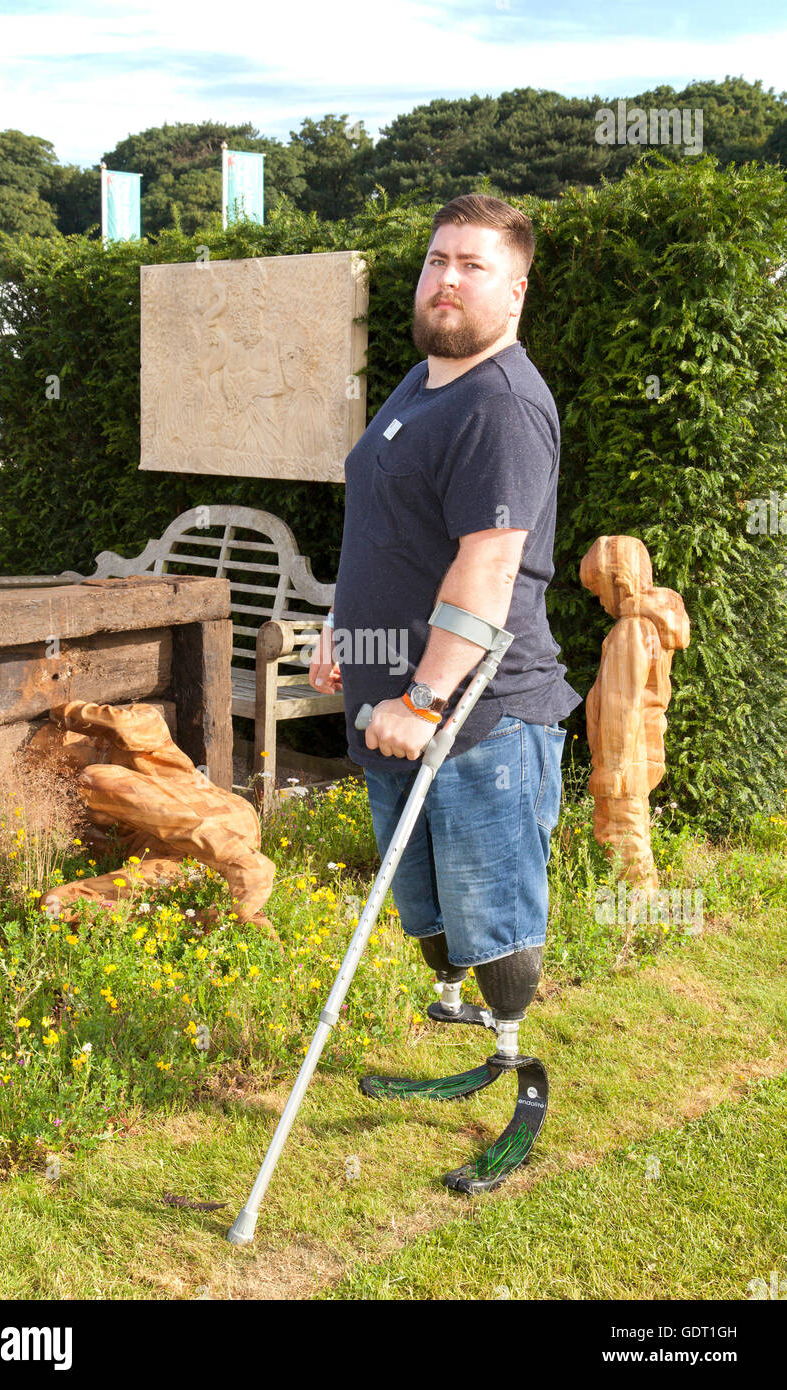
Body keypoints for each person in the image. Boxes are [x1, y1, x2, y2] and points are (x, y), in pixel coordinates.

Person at [309, 194, 582, 1092]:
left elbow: (489, 568)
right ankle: (462, 1010)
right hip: (388, 701)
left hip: (476, 716)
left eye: (473, 265)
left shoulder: (501, 404)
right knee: (424, 904)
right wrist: (345, 633)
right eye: (437, 261)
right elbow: (387, 523)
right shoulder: (425, 380)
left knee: (492, 918)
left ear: (518, 290)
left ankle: (510, 1053)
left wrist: (424, 699)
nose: (448, 279)